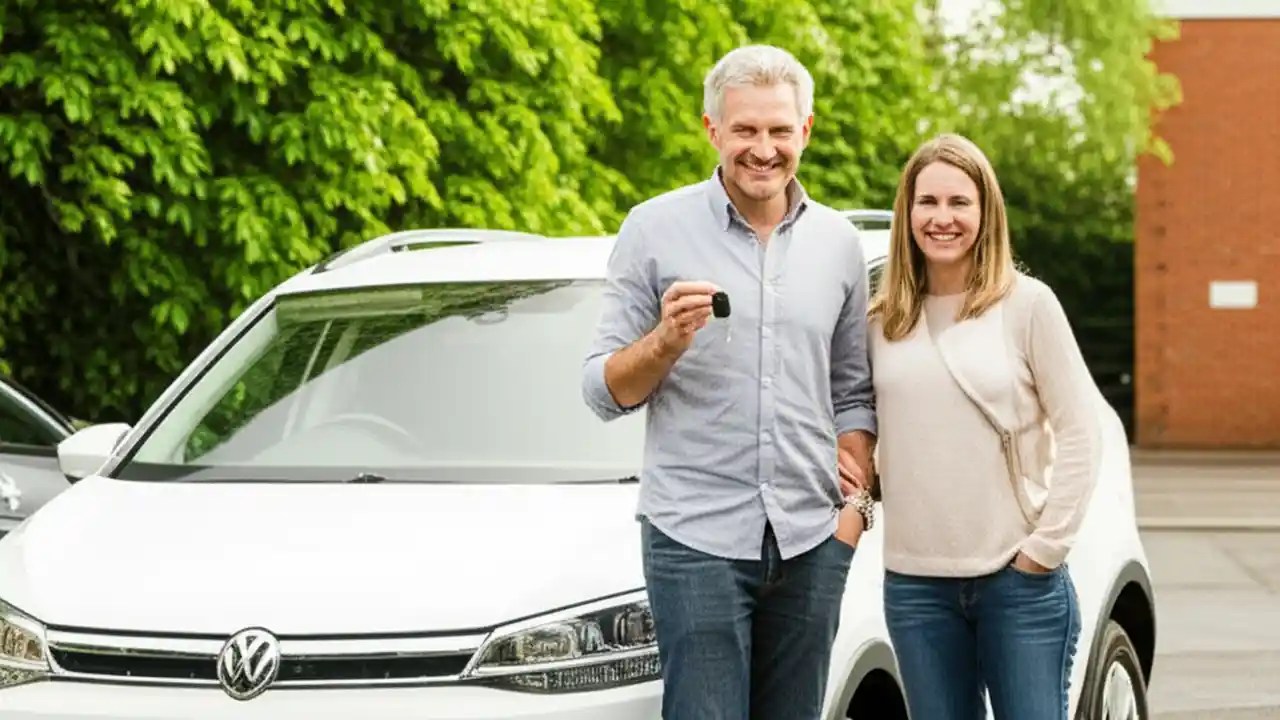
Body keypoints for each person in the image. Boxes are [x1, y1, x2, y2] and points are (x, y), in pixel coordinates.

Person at [581, 44, 877, 720]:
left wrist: (851, 518)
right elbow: (602, 393)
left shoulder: (837, 243)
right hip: (695, 541)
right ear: (712, 131)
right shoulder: (653, 229)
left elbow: (852, 388)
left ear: (806, 130)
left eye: (779, 130)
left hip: (811, 542)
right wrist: (664, 341)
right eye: (745, 130)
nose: (763, 148)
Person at [865, 132, 1103, 720]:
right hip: (916, 586)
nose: (941, 218)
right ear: (907, 212)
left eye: (958, 203)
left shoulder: (1028, 305)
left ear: (985, 211)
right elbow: (858, 435)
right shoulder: (880, 321)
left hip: (1016, 582)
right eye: (928, 203)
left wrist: (1044, 552)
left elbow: (1081, 431)